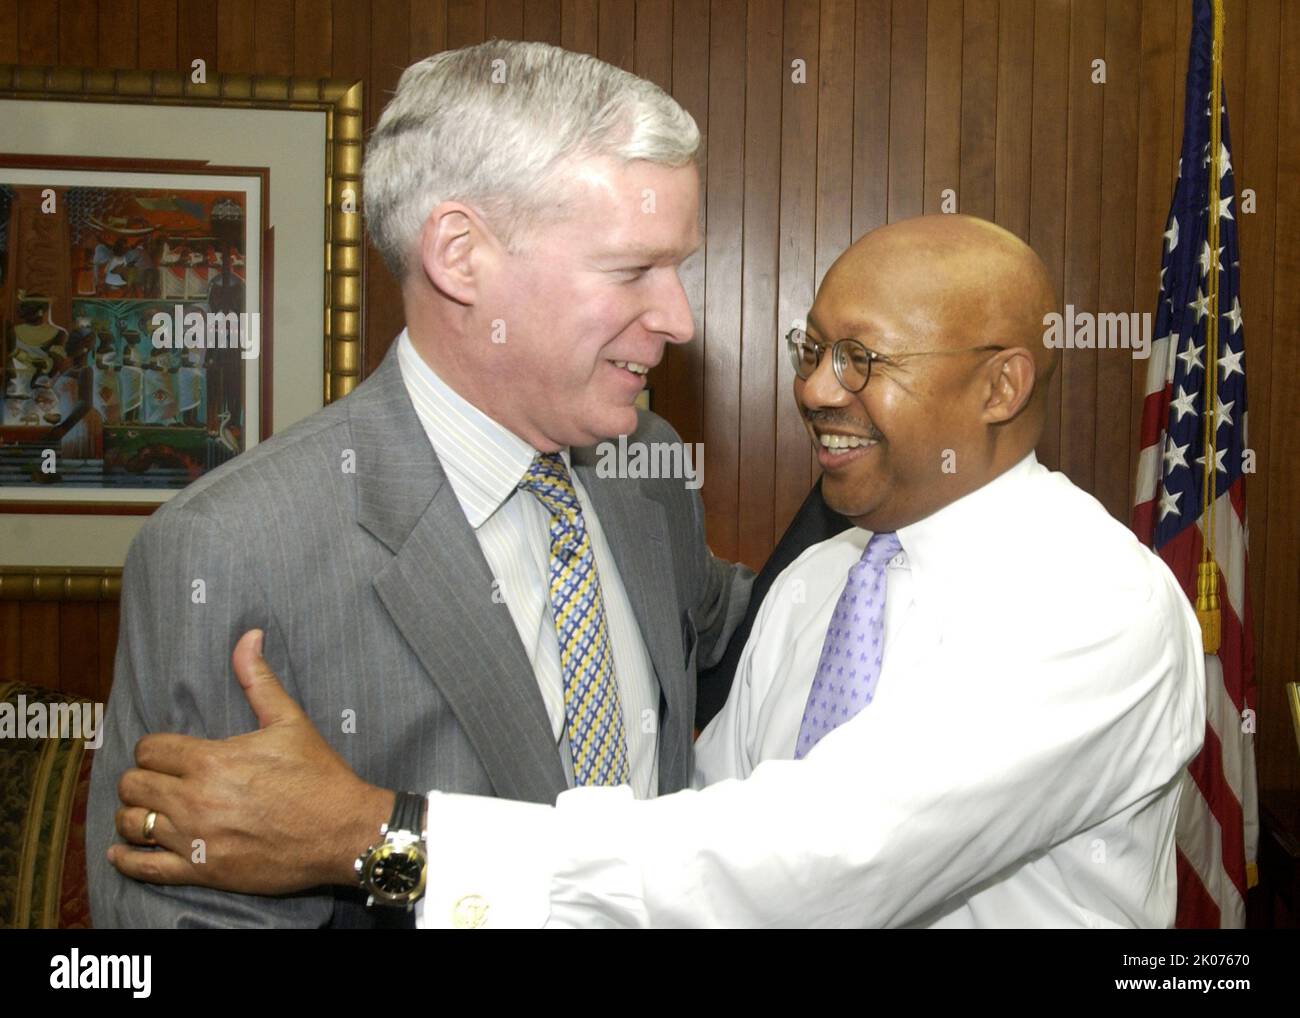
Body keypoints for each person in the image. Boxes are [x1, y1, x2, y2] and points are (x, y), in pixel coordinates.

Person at [107, 213, 1207, 928]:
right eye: (810, 351)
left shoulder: (1089, 606)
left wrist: (377, 837)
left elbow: (807, 868)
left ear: (1003, 385)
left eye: (862, 359)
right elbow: (688, 828)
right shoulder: (819, 587)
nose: (817, 390)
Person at [87, 39, 754, 928]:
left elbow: (753, 635)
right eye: (634, 270)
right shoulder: (233, 551)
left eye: (681, 269)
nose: (677, 318)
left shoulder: (650, 472)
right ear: (460, 255)